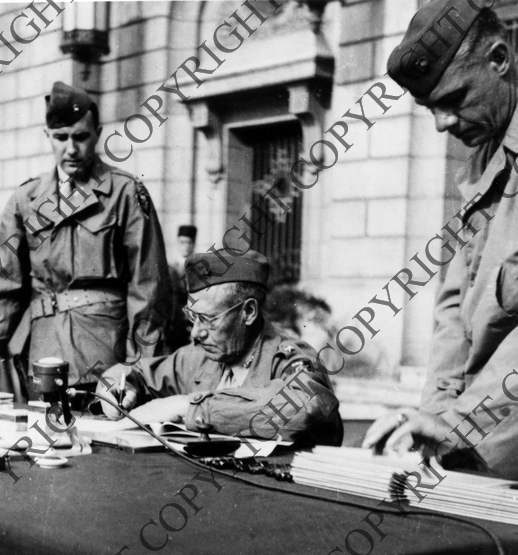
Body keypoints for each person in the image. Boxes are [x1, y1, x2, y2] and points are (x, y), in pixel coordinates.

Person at [363, 2, 518, 477]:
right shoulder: (482, 165)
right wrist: (430, 420)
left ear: (499, 59)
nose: (441, 124)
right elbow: (454, 312)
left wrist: (457, 423)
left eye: (453, 99)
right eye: (430, 109)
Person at [0, 81, 170, 392]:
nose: (71, 148)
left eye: (80, 137)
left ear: (98, 134)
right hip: (42, 353)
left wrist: (140, 367)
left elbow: (149, 288)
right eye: (60, 138)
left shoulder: (124, 193)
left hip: (105, 355)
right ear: (47, 137)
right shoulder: (24, 200)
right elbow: (6, 286)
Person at [98, 249, 343, 445]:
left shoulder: (290, 357)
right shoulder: (199, 358)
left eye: (208, 319)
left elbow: (304, 404)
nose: (196, 332)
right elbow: (136, 372)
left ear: (248, 312)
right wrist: (113, 390)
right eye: (193, 317)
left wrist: (189, 406)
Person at [166, 225, 197, 352]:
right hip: (175, 323)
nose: (186, 246)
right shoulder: (170, 269)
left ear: (193, 244)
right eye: (182, 242)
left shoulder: (198, 268)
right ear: (177, 243)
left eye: (189, 243)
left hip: (192, 319)